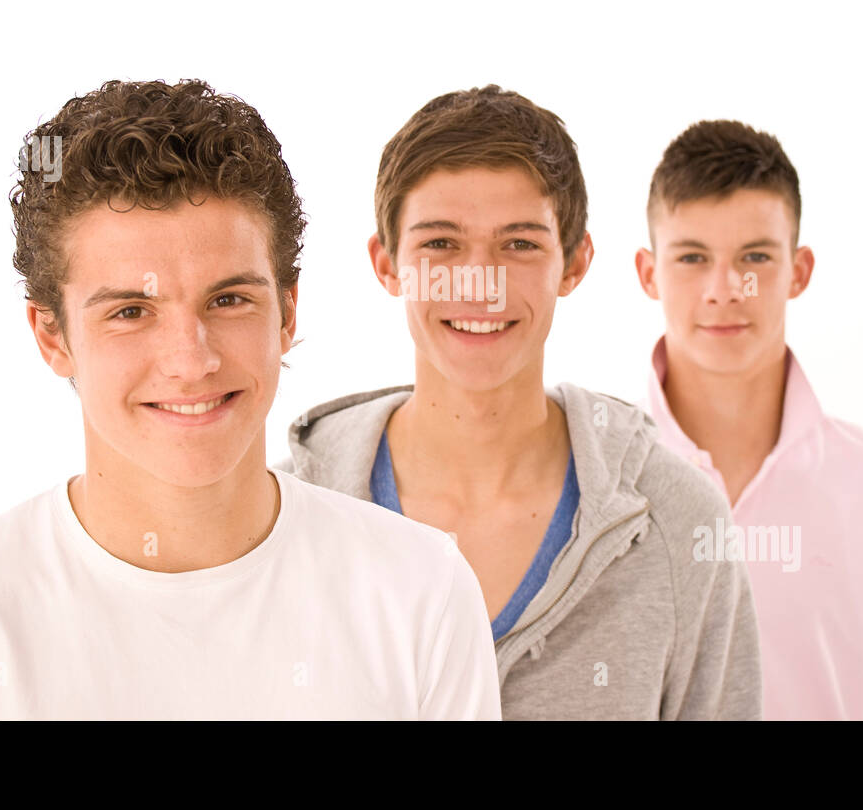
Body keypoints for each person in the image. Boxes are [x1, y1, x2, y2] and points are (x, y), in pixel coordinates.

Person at [0, 79, 500, 720]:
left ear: (287, 313)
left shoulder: (422, 593)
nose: (192, 361)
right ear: (52, 335)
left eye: (229, 299)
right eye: (130, 311)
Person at [279, 85, 761, 719]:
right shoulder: (280, 519)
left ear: (575, 262)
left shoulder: (680, 522)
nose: (481, 282)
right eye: (440, 244)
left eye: (520, 244)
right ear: (387, 262)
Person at [634, 119, 863, 720]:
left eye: (755, 257)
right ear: (648, 273)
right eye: (692, 257)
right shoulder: (589, 479)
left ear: (799, 270)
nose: (724, 289)